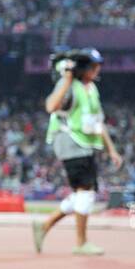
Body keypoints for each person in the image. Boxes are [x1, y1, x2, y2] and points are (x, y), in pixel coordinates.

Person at [33, 48, 122, 255]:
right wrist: (66, 78)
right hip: (70, 142)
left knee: (81, 194)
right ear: (85, 68)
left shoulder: (91, 88)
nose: (98, 69)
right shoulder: (70, 86)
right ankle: (81, 243)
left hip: (85, 144)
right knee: (86, 191)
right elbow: (51, 106)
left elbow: (98, 122)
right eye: (95, 66)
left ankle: (44, 226)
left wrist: (112, 150)